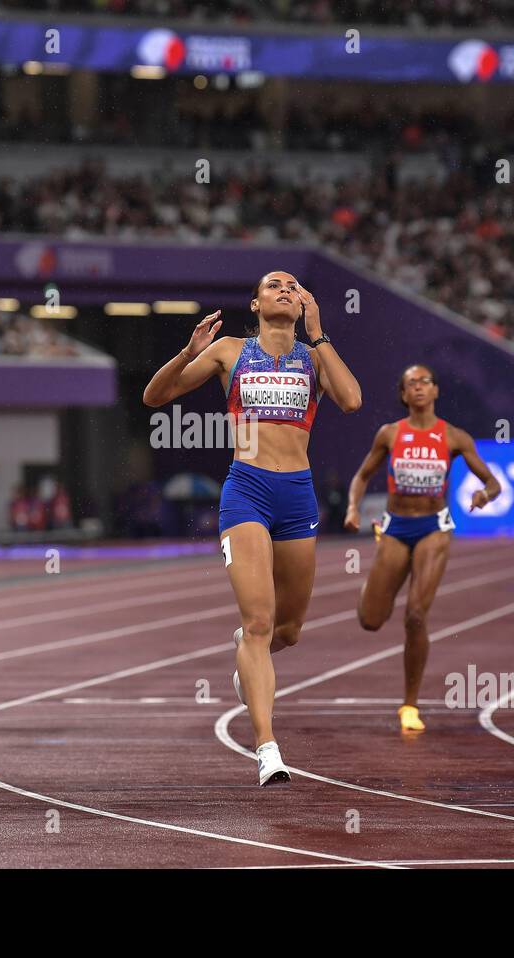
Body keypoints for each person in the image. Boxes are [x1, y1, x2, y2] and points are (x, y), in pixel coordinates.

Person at [143, 271, 362, 785]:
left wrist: (320, 332)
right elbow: (155, 398)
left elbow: (351, 401)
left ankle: (247, 644)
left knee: (288, 629)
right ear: (256, 302)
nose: (284, 289)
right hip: (247, 491)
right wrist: (186, 351)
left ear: (303, 300)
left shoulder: (313, 358)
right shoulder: (230, 350)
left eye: (293, 285)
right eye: (273, 285)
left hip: (297, 496)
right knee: (262, 622)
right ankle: (267, 747)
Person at [345, 364, 501, 731]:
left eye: (425, 382)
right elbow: (362, 475)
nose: (418, 387)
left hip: (434, 527)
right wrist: (353, 506)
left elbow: (493, 482)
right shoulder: (389, 434)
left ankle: (409, 705)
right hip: (397, 527)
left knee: (416, 615)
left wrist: (484, 494)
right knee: (370, 620)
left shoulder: (454, 437)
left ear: (435, 391)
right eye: (411, 383)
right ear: (403, 394)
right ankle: (373, 587)